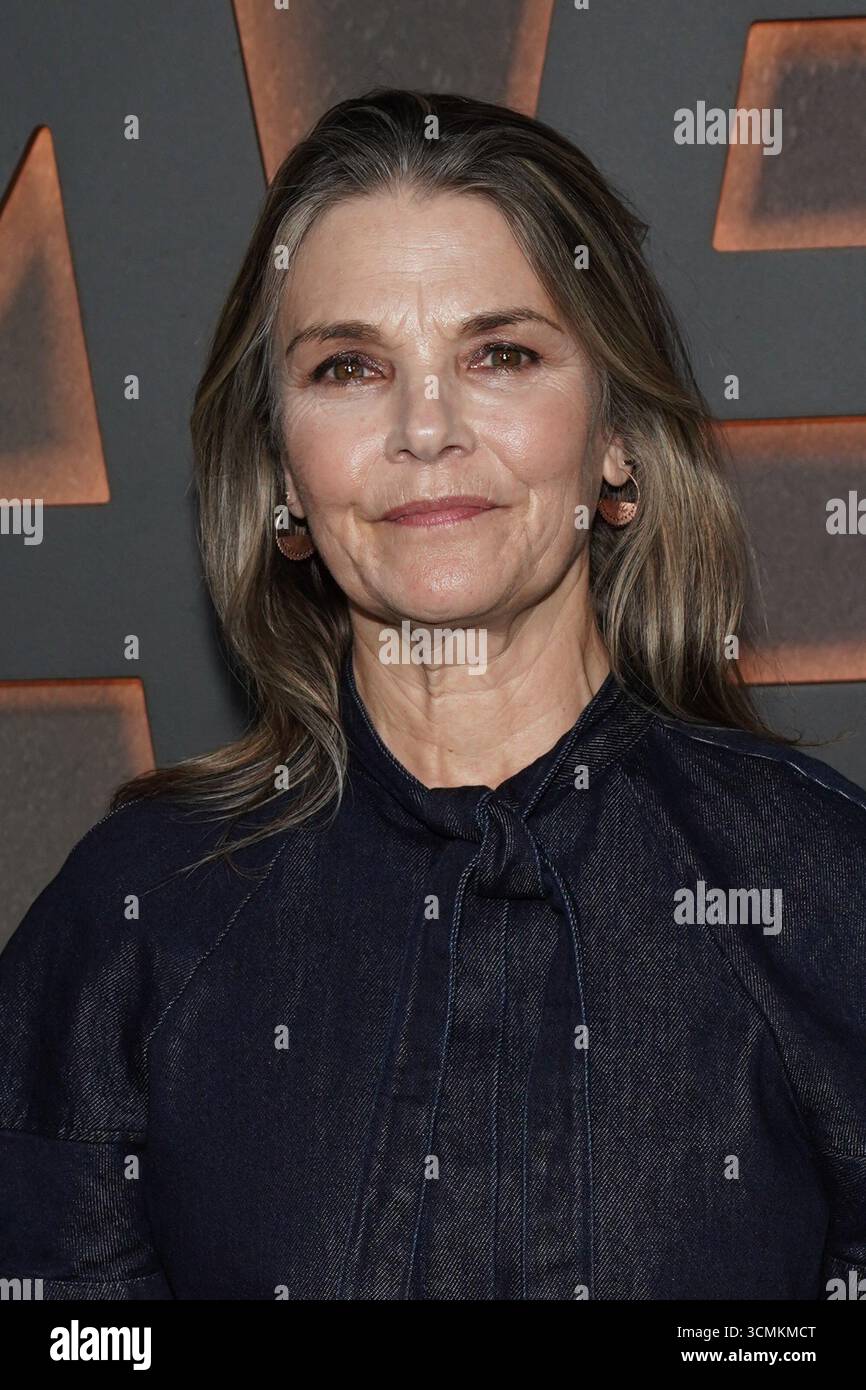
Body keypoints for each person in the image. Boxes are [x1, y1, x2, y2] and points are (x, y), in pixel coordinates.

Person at [1, 87, 864, 1301]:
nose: (425, 427)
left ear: (613, 436)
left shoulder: (819, 888)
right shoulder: (133, 923)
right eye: (349, 367)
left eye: (498, 353)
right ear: (281, 470)